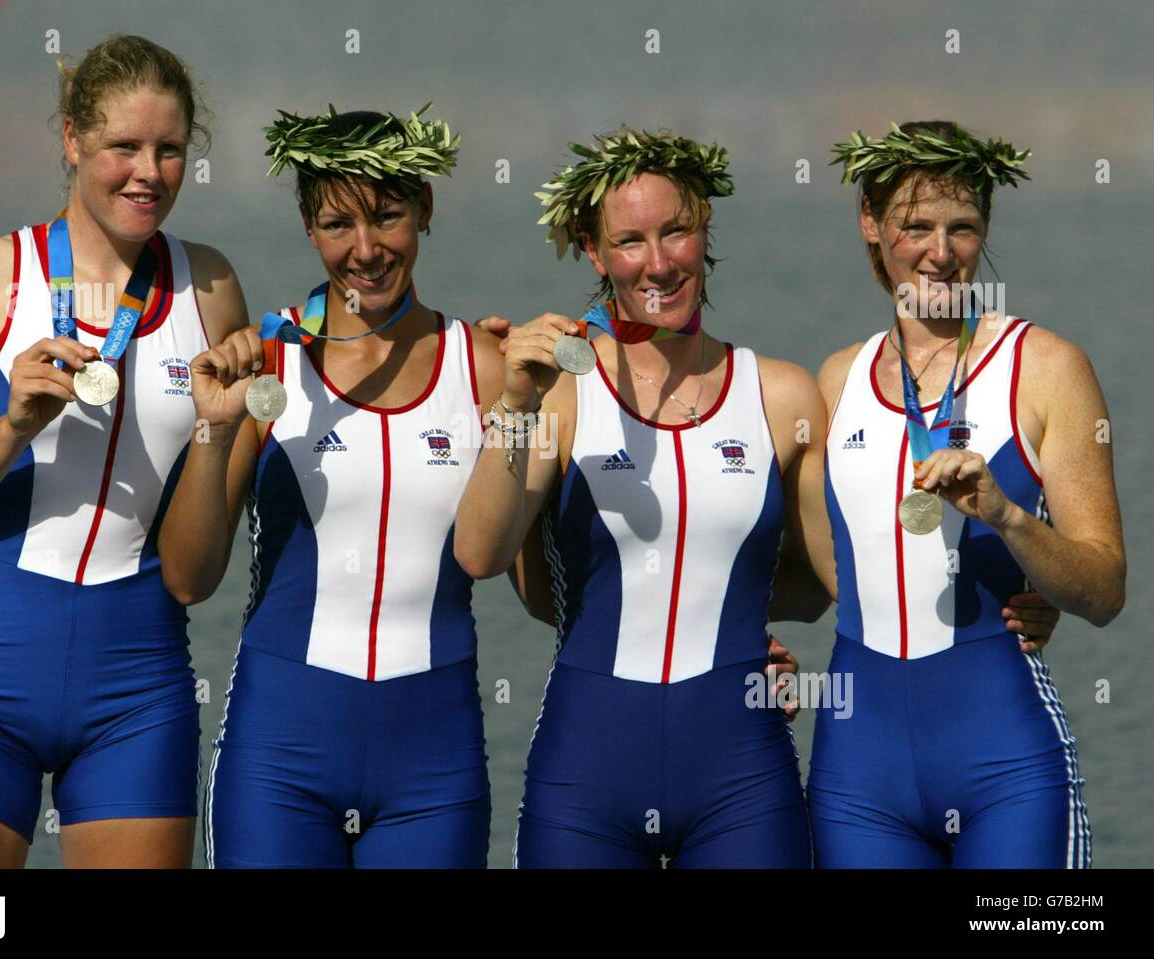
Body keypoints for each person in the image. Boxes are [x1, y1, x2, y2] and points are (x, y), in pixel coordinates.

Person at [0, 35, 249, 868]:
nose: (146, 173)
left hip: (139, 689)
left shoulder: (214, 289)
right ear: (73, 139)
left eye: (168, 150)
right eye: (122, 147)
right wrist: (11, 425)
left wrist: (215, 431)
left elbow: (195, 575)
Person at [454, 128, 833, 868]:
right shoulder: (558, 392)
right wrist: (514, 401)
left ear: (704, 230)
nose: (658, 263)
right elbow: (480, 551)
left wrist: (731, 609)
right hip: (585, 776)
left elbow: (826, 585)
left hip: (743, 778)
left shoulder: (784, 394)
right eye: (629, 240)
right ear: (594, 254)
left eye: (676, 231)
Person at [159, 106, 520, 868]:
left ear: (425, 207)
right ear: (305, 223)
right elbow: (189, 577)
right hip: (279, 760)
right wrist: (214, 429)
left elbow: (540, 577)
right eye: (336, 225)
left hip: (433, 763)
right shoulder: (264, 364)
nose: (366, 250)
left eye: (388, 216)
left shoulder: (486, 366)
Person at [807, 120, 1124, 867]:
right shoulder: (833, 380)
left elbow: (1104, 588)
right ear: (870, 224)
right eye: (915, 225)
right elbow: (820, 571)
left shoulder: (1047, 367)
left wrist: (1011, 521)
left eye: (964, 227)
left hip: (1006, 769)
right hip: (857, 780)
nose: (940, 253)